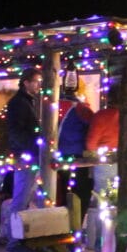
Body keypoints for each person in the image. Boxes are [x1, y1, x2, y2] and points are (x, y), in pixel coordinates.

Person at [4, 66, 44, 252]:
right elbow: (18, 131)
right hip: (27, 155)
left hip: (30, 153)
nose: (38, 85)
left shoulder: (26, 102)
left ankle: (30, 238)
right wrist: (27, 148)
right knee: (21, 199)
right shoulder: (20, 103)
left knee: (31, 198)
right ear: (26, 82)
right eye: (35, 81)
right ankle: (14, 242)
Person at [55, 85, 95, 220]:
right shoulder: (81, 109)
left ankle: (64, 225)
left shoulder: (52, 108)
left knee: (64, 193)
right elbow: (93, 127)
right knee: (81, 192)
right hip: (78, 157)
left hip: (60, 157)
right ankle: (75, 225)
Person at [85, 83, 121, 204]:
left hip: (104, 161)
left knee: (102, 197)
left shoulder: (101, 116)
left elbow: (91, 143)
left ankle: (100, 223)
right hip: (125, 160)